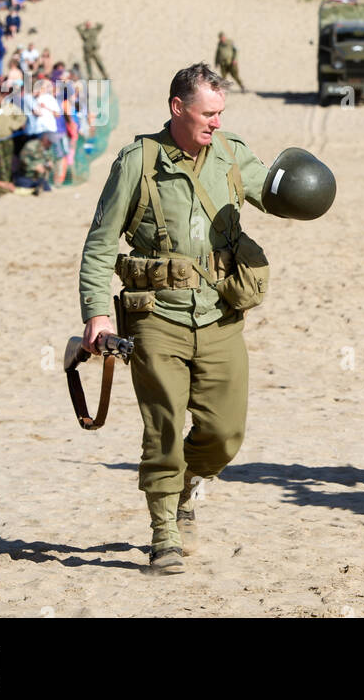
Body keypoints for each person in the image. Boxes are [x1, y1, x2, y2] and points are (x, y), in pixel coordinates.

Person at [78, 63, 273, 573]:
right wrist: (98, 316)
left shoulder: (231, 152)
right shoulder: (137, 162)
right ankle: (164, 530)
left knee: (225, 432)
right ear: (177, 108)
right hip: (155, 317)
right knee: (163, 427)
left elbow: (273, 192)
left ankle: (186, 484)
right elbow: (100, 245)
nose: (215, 122)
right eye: (208, 113)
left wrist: (302, 188)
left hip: (219, 314)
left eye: (221, 113)